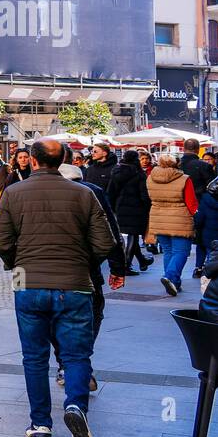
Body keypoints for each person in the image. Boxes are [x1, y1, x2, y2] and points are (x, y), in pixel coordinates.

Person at [0, 138, 115, 437]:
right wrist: (81, 262)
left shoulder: (13, 193)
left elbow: (1, 240)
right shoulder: (84, 193)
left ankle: (41, 425)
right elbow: (105, 242)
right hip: (74, 283)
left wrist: (17, 264)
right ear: (62, 161)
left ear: (32, 161)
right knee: (75, 356)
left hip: (28, 282)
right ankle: (75, 406)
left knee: (34, 358)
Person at [56, 156, 127, 392]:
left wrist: (18, 271)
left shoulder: (34, 191)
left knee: (51, 317)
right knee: (91, 313)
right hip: (85, 268)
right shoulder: (93, 191)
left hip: (43, 271)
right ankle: (77, 363)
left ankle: (66, 363)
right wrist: (117, 267)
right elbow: (110, 233)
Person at [147, 153, 198, 296]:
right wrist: (196, 216)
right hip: (180, 219)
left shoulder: (150, 178)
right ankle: (170, 277)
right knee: (181, 251)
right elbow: (191, 202)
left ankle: (174, 282)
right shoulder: (184, 179)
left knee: (168, 251)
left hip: (158, 217)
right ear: (177, 164)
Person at [107, 149, 153, 274]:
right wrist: (148, 207)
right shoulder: (138, 173)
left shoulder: (116, 172)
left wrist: (112, 207)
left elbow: (111, 191)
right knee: (133, 236)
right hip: (136, 208)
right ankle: (126, 264)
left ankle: (142, 260)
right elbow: (144, 194)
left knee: (131, 235)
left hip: (120, 207)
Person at [180, 138, 216, 277]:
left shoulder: (176, 165)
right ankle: (204, 266)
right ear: (197, 149)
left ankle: (176, 272)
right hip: (200, 205)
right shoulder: (203, 166)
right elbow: (212, 187)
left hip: (179, 206)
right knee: (204, 237)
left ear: (184, 148)